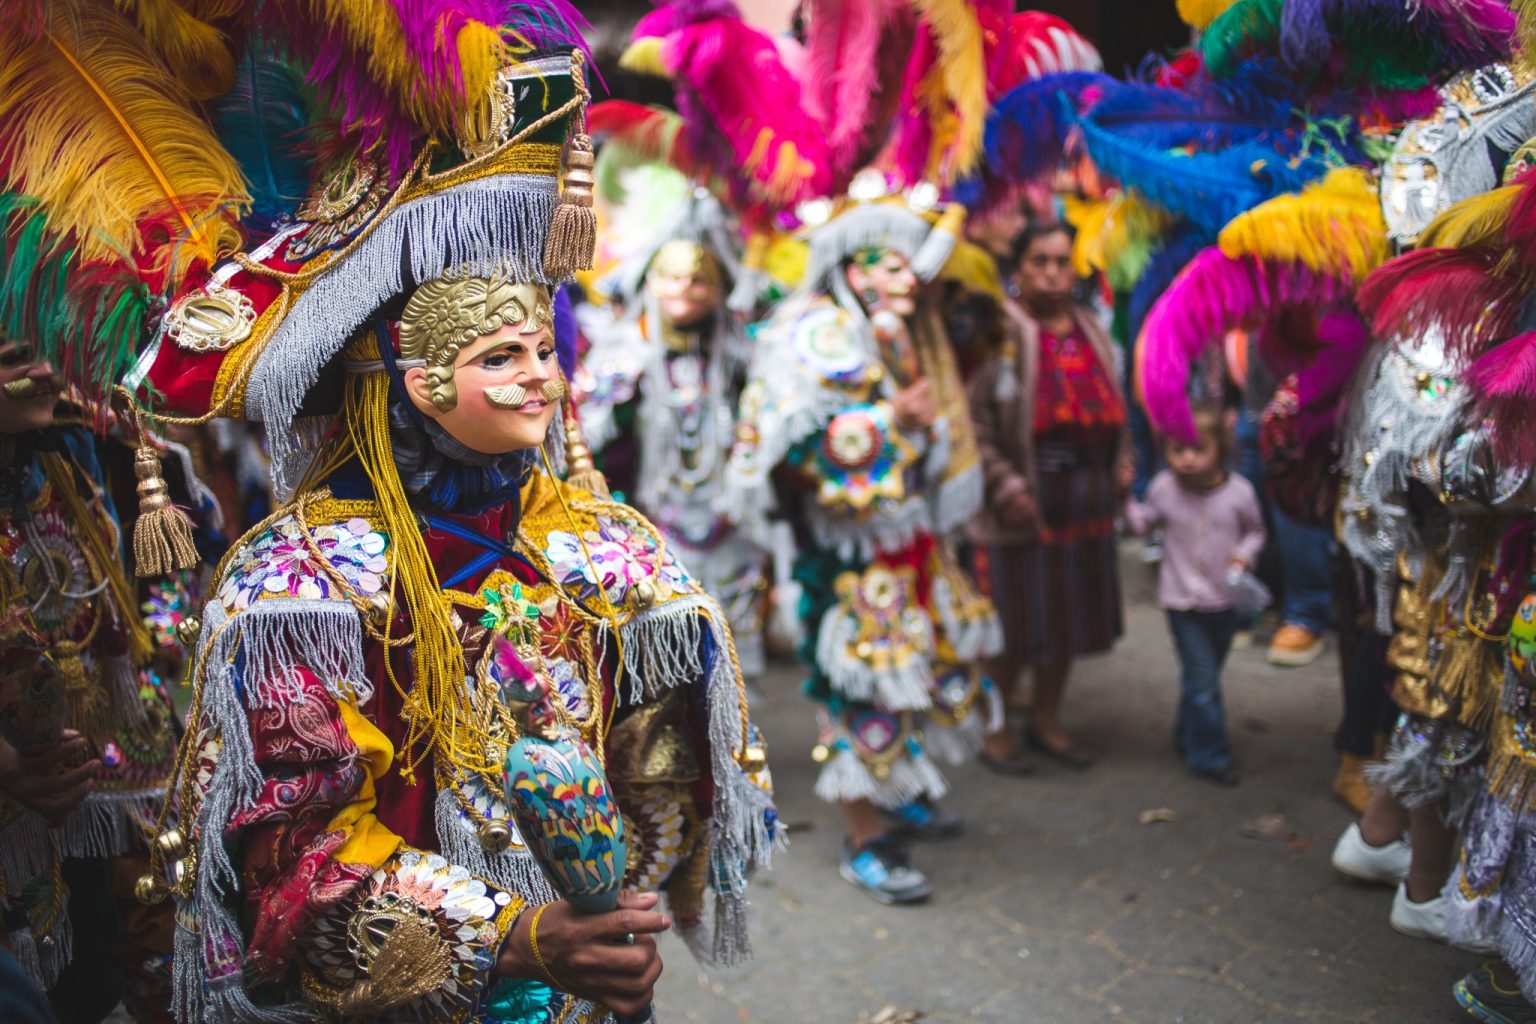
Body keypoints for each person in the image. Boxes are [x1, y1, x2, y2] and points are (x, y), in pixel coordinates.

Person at [110, 34, 774, 1024]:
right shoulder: (304, 586)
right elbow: (291, 857)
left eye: (544, 347)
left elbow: (656, 763)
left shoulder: (596, 540)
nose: (542, 378)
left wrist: (622, 874)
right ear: (416, 385)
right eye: (500, 356)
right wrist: (517, 936)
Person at [727, 182, 1005, 904]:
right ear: (853, 268)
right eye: (891, 264)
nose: (908, 278)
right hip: (844, 552)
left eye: (909, 264)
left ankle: (898, 793)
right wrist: (895, 425)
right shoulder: (811, 331)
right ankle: (864, 838)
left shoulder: (897, 327)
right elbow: (797, 450)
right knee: (860, 680)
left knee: (913, 669)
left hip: (906, 537)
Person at [577, 187, 767, 678]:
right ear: (651, 282)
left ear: (719, 290)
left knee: (731, 653)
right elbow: (587, 439)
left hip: (730, 524)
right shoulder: (624, 353)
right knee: (664, 655)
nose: (684, 288)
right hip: (652, 522)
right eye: (672, 277)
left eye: (699, 280)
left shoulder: (743, 359)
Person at [969, 221, 1129, 769]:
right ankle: (993, 728)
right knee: (1012, 622)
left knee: (1066, 619)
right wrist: (1005, 485)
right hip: (1024, 499)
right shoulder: (998, 331)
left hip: (1085, 499)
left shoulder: (1091, 327)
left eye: (1062, 261)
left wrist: (1123, 462)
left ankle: (1046, 718)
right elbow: (973, 421)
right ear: (1018, 269)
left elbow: (1117, 405)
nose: (1053, 273)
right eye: (1040, 261)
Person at [1124, 406, 1265, 785]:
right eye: (1177, 449)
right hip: (1182, 602)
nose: (1187, 459)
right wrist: (1123, 496)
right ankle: (1210, 757)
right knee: (1203, 682)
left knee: (1203, 677)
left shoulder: (1240, 493)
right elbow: (1142, 523)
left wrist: (1244, 555)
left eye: (1198, 449)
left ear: (1220, 448)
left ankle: (1187, 733)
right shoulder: (1163, 488)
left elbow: (1256, 532)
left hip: (1225, 602)